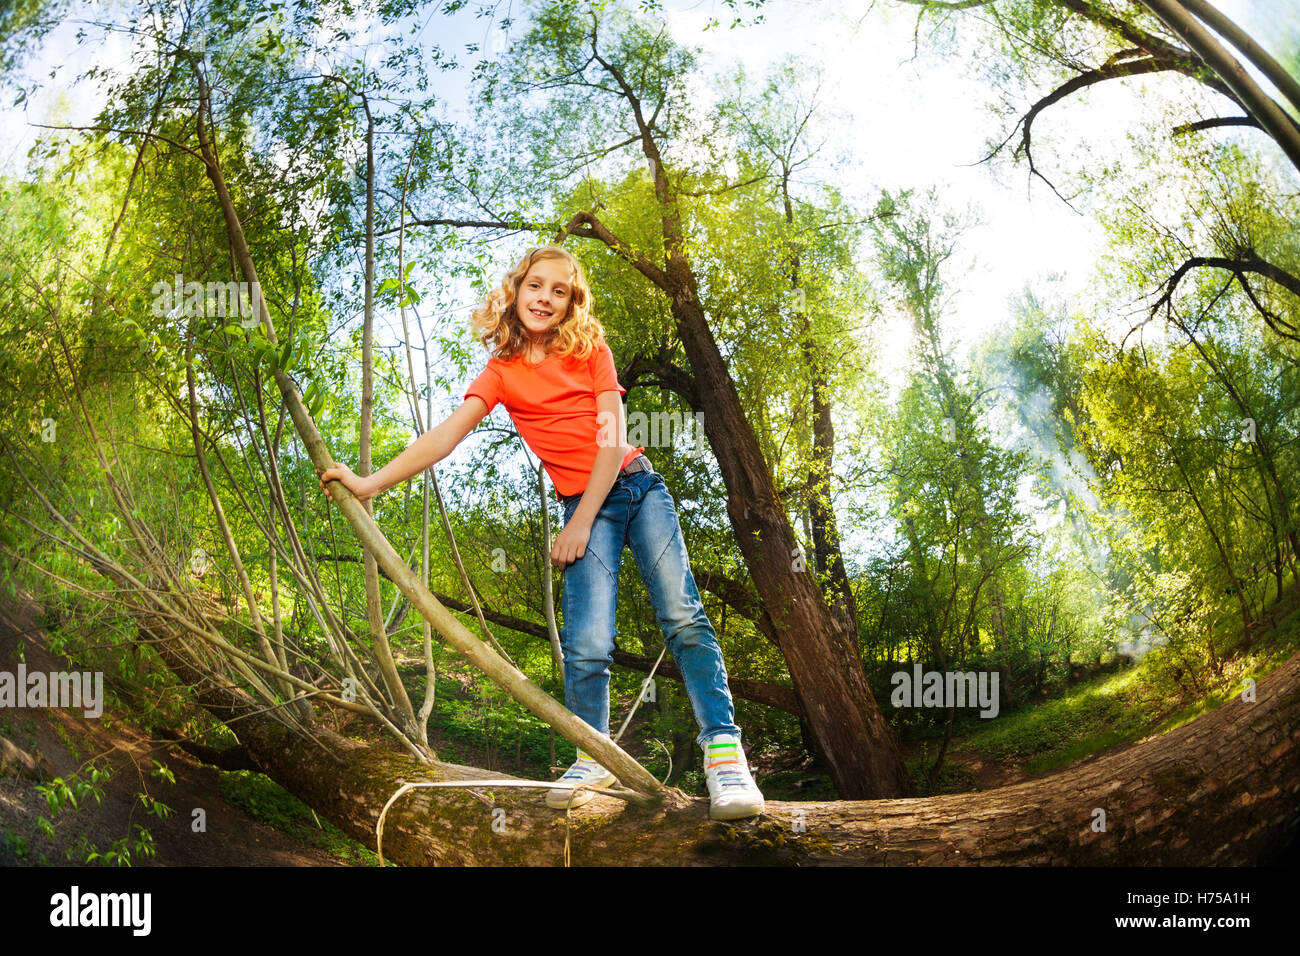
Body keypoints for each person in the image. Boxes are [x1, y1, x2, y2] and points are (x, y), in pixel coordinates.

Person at [319, 244, 764, 821]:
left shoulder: (591, 352)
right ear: (517, 289)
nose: (545, 299)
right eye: (536, 286)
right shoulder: (502, 372)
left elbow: (610, 439)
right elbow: (445, 436)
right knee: (586, 642)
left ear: (571, 303)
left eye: (560, 291)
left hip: (634, 486)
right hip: (583, 505)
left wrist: (579, 523)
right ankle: (594, 756)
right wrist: (371, 483)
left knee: (682, 616)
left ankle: (725, 758)